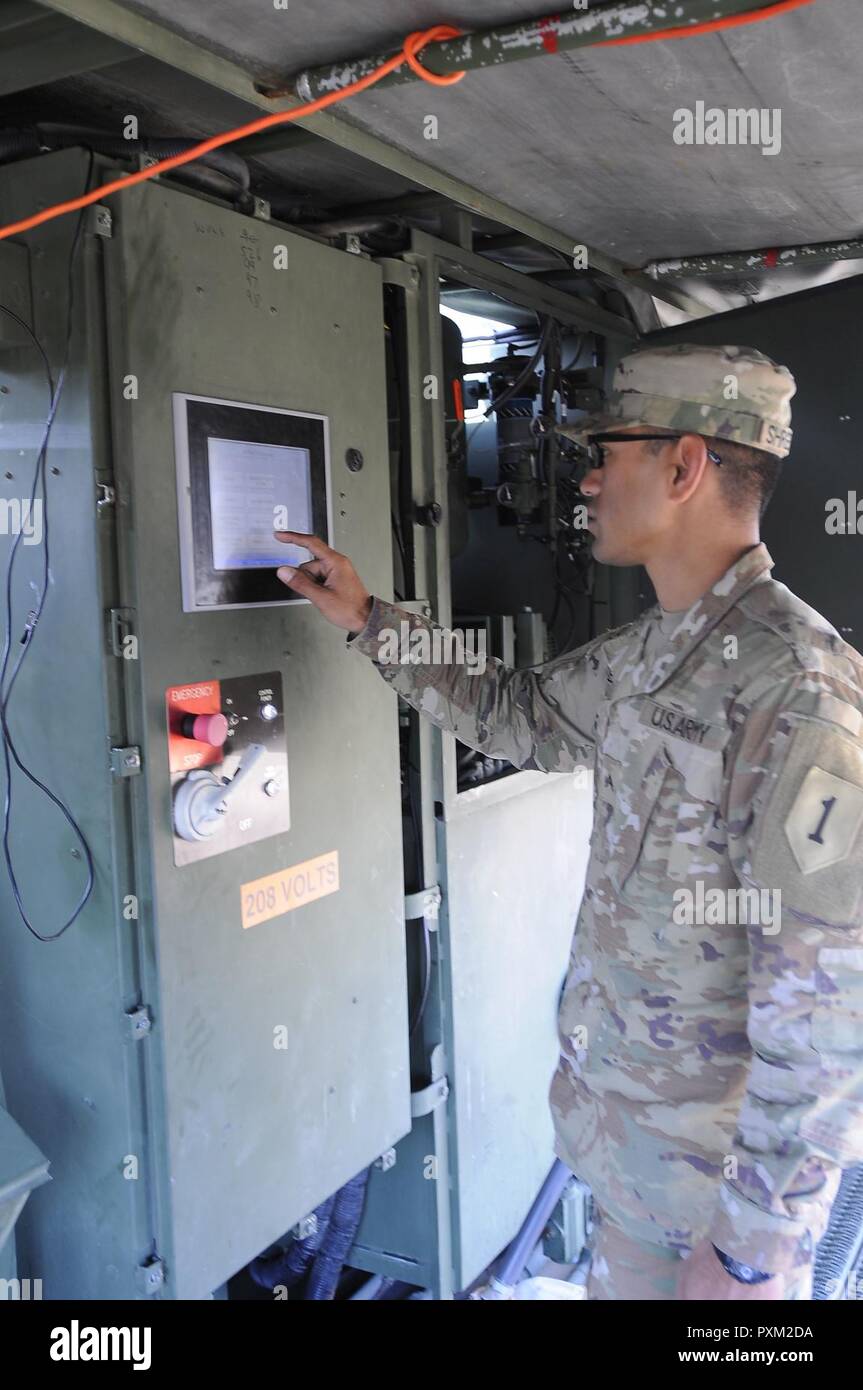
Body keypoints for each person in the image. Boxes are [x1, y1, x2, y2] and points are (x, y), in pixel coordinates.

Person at [274, 343, 863, 1301]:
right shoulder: (652, 652)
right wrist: (369, 618)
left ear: (683, 466)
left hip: (711, 1214)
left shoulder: (796, 693)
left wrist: (754, 1250)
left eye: (608, 453)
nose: (586, 479)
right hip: (628, 1160)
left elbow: (830, 1013)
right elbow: (521, 714)